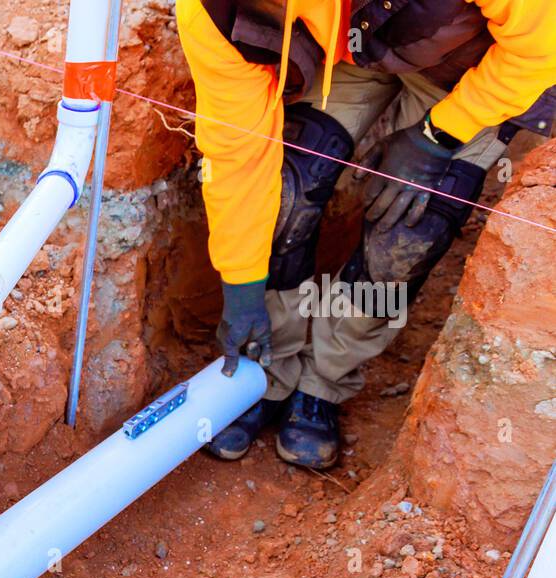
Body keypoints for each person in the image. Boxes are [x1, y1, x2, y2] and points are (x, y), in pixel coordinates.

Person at [176, 0, 556, 467]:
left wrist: (437, 137)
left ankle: (324, 380)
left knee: (408, 235)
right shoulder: (216, 13)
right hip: (353, 50)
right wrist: (241, 284)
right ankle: (269, 371)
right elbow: (239, 154)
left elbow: (539, 51)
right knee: (288, 187)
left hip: (475, 64)